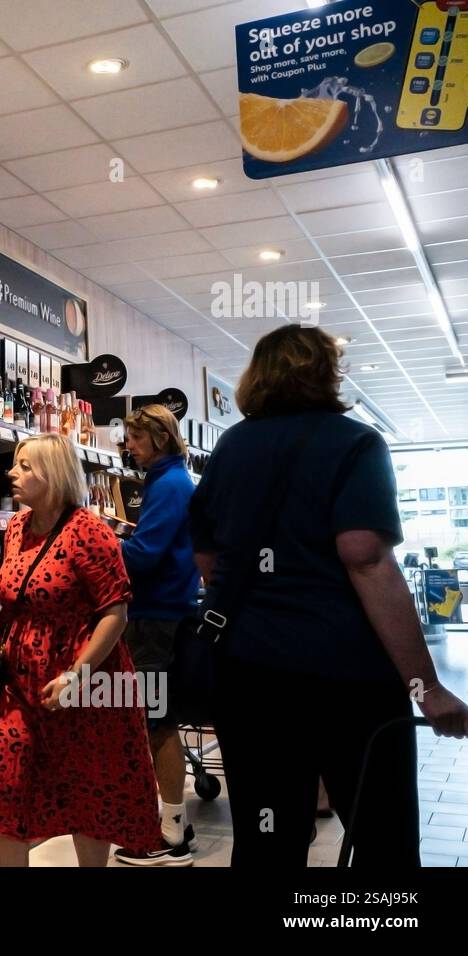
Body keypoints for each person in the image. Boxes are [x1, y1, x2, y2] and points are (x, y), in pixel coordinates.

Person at [189, 324, 468, 867]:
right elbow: (364, 556)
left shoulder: (231, 446)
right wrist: (425, 687)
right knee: (382, 835)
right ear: (326, 373)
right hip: (348, 677)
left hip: (248, 674)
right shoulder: (355, 442)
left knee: (266, 838)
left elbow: (208, 557)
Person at [0, 433, 159, 866]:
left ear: (54, 474)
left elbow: (116, 613)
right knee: (0, 780)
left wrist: (77, 676)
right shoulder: (15, 528)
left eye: (26, 466)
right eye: (16, 463)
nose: (13, 472)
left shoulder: (89, 530)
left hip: (83, 687)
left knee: (89, 791)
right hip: (17, 684)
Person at [113, 404, 200, 867]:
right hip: (161, 613)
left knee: (155, 721)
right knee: (158, 717)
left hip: (153, 618)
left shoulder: (168, 485)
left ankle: (168, 835)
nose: (129, 446)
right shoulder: (170, 480)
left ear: (160, 439)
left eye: (136, 438)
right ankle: (175, 823)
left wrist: (100, 541)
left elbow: (145, 555)